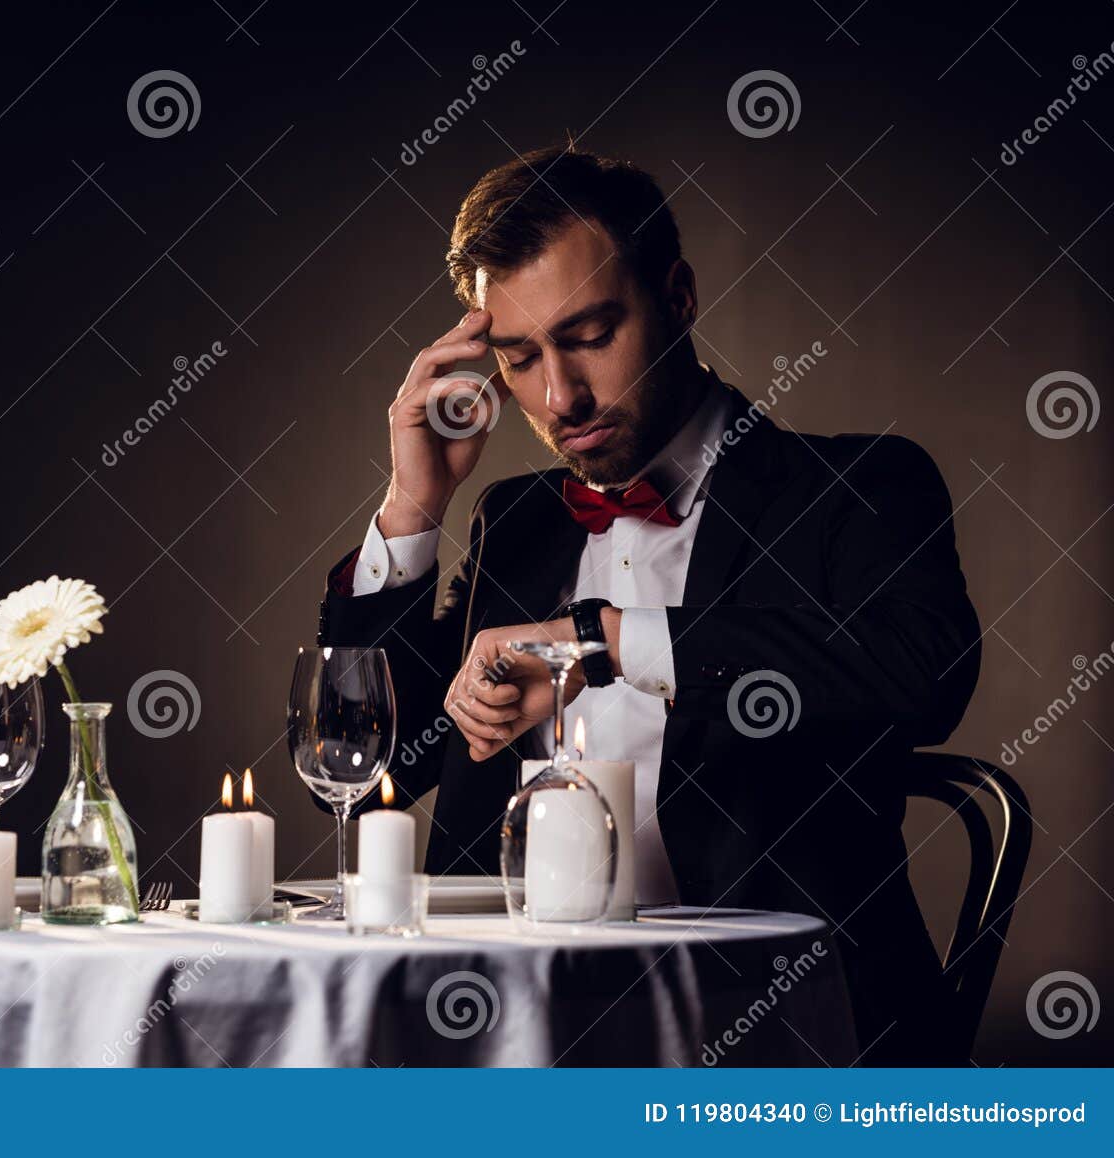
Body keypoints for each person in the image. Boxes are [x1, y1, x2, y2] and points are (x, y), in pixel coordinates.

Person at [315, 145, 982, 1065]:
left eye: (589, 336)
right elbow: (366, 752)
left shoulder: (859, 485)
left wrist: (604, 637)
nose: (561, 396)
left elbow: (924, 673)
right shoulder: (516, 522)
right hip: (512, 1035)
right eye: (519, 358)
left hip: (781, 1033)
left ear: (677, 295)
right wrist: (415, 503)